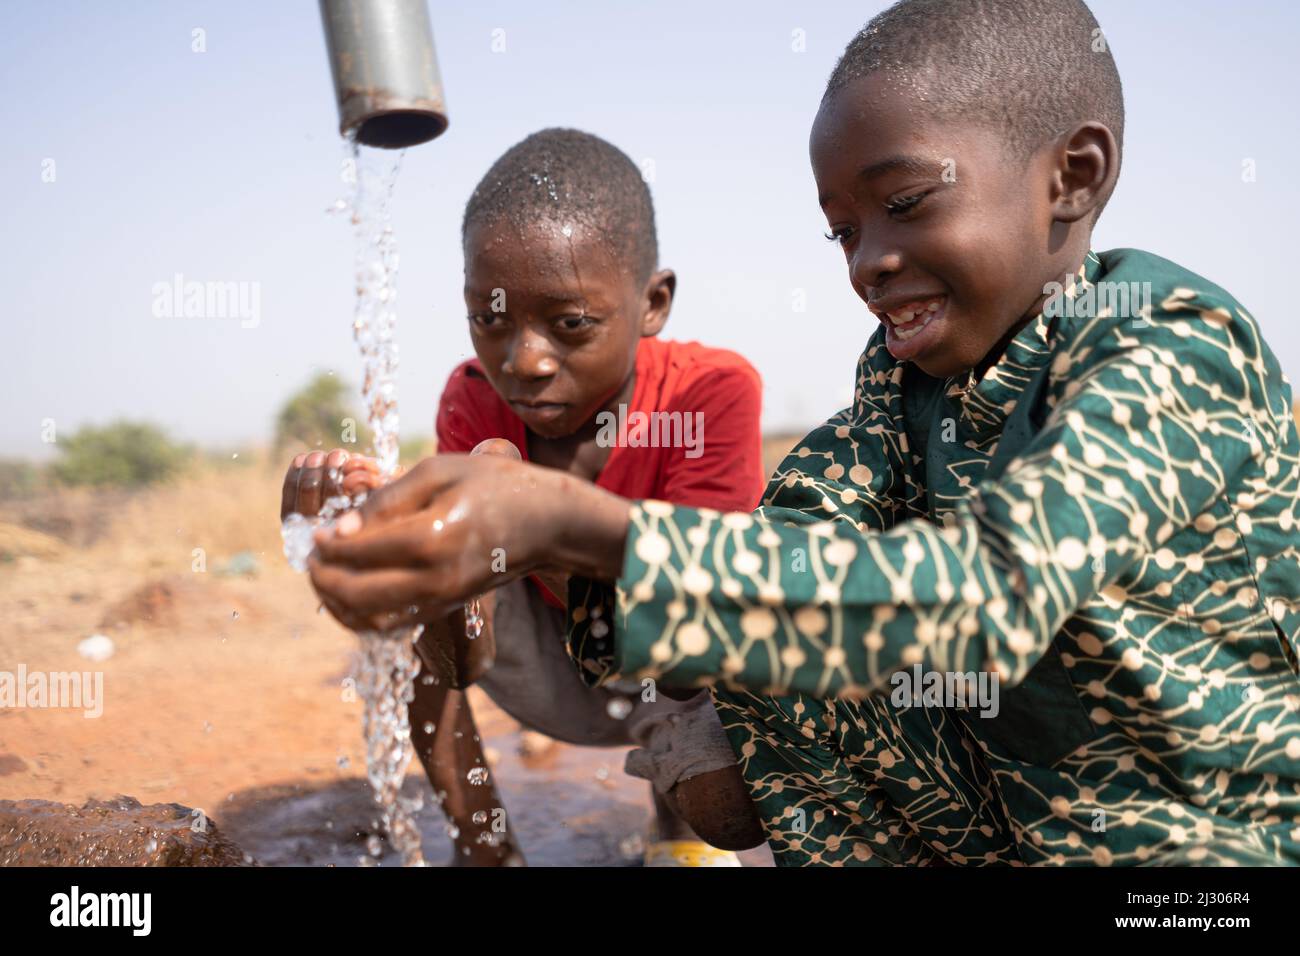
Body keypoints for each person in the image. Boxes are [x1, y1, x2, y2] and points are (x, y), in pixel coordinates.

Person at [306, 0, 1300, 866]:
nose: (869, 260)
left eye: (905, 203)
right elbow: (773, 551)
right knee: (751, 651)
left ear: (1072, 176)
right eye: (844, 230)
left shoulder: (1162, 346)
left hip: (1196, 842)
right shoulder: (903, 386)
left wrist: (570, 520)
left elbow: (990, 595)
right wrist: (443, 534)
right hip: (1021, 814)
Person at [283, 128, 766, 866]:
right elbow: (457, 656)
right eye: (491, 319)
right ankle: (485, 847)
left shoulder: (709, 393)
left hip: (670, 678)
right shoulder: (473, 399)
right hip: (544, 672)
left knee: (724, 807)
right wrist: (369, 543)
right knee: (419, 584)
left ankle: (674, 822)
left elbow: (698, 609)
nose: (526, 360)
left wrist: (532, 512)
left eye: (571, 324)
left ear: (653, 303)